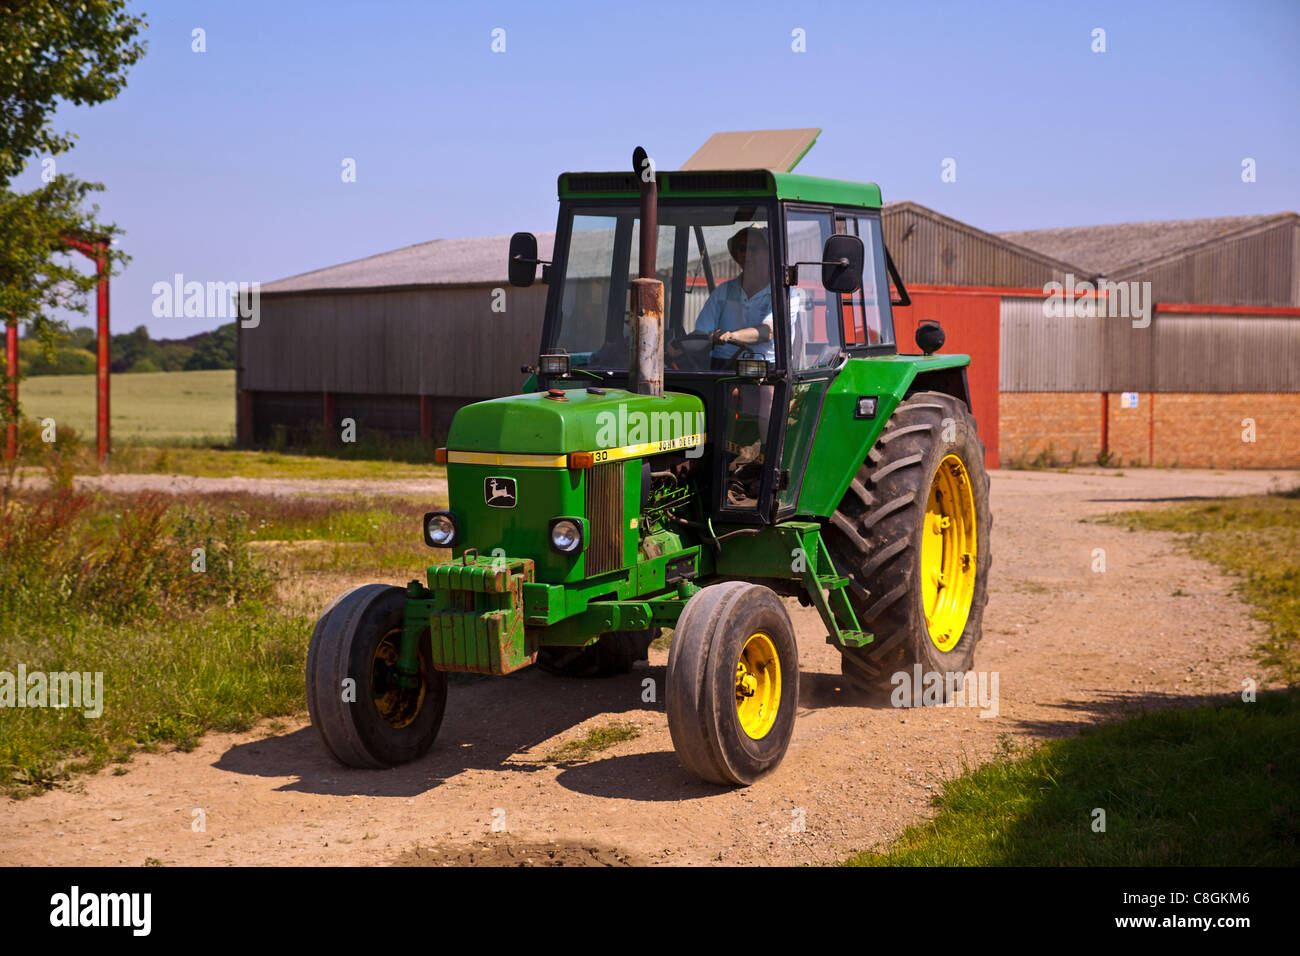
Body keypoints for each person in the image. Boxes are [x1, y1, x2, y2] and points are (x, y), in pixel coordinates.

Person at [691, 226, 777, 366]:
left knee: (763, 389)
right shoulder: (723, 291)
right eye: (742, 249)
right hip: (722, 366)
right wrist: (677, 346)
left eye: (753, 249)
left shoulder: (782, 294)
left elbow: (767, 332)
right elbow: (702, 334)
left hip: (764, 369)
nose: (747, 255)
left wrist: (731, 336)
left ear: (769, 253)